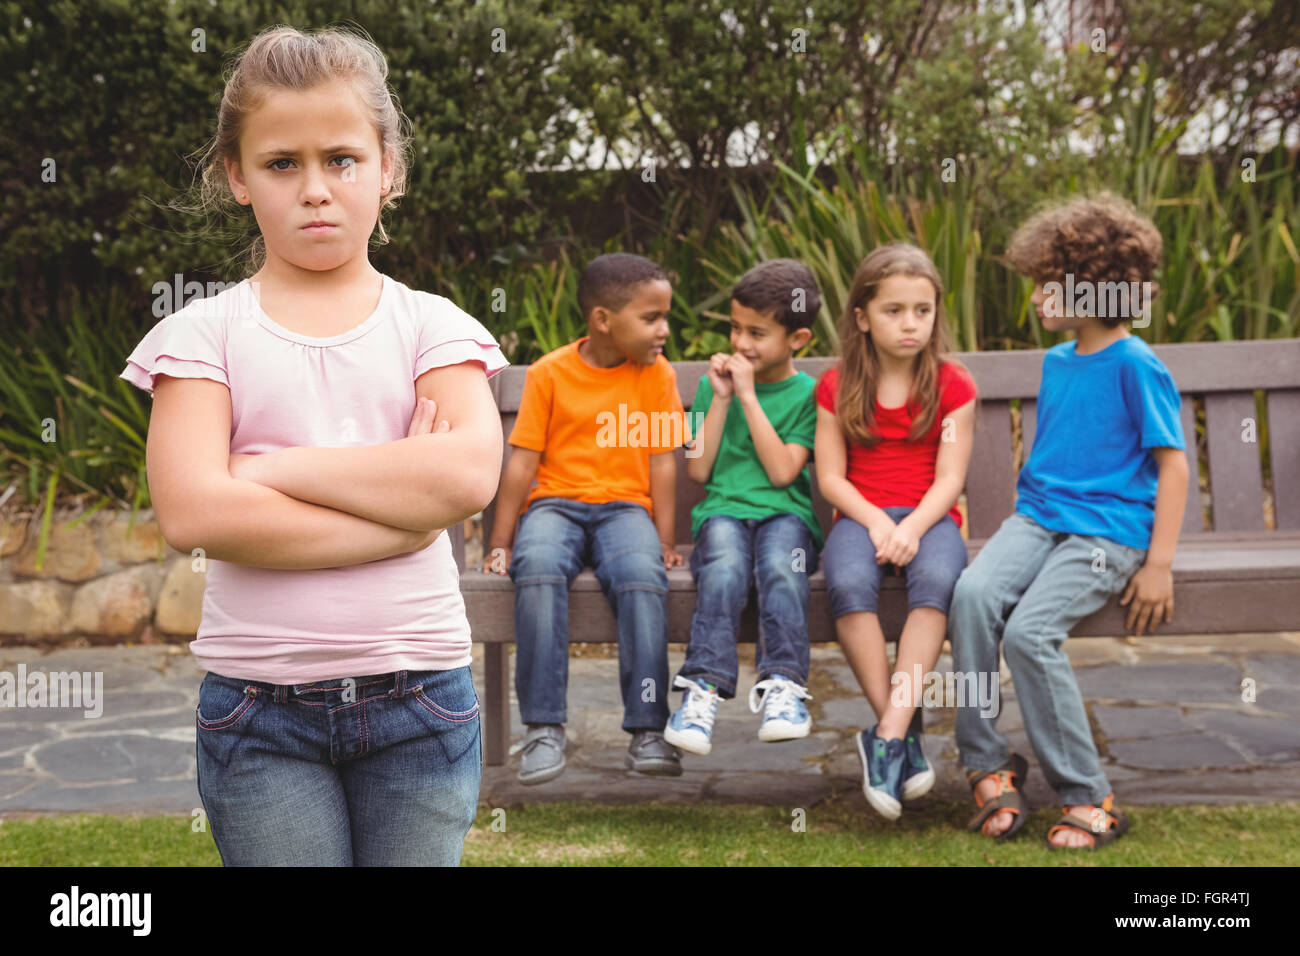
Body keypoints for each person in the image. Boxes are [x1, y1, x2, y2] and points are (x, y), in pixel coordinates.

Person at [119, 25, 506, 865]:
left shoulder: (433, 328)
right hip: (259, 714)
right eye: (281, 163)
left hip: (423, 704)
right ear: (237, 177)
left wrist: (273, 470)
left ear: (388, 169)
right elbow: (194, 510)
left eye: (342, 158)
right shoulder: (201, 337)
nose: (316, 188)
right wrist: (402, 518)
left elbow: (466, 474)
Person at [952, 192, 1188, 850]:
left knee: (1029, 633)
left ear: (1096, 289)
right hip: (1040, 520)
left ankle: (1088, 795)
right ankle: (985, 760)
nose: (1036, 300)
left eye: (1048, 288)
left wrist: (1159, 564)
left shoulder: (1138, 364)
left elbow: (1173, 467)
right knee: (971, 594)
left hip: (1104, 535)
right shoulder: (1058, 362)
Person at [480, 253, 687, 784]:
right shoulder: (551, 373)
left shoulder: (656, 375)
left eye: (665, 316)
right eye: (651, 317)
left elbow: (663, 461)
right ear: (602, 319)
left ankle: (647, 731)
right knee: (539, 568)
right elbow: (522, 461)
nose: (664, 329)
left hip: (626, 510)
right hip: (556, 506)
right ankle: (545, 729)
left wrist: (665, 540)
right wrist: (500, 543)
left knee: (643, 577)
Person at [814, 242, 977, 820]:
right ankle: (900, 730)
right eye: (894, 310)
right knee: (849, 582)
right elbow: (832, 478)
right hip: (862, 515)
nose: (911, 323)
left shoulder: (953, 385)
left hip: (932, 516)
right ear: (861, 316)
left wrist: (913, 527)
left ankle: (884, 734)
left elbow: (950, 478)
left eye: (922, 310)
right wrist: (880, 521)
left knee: (935, 582)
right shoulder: (836, 386)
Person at [665, 259, 825, 756]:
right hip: (724, 513)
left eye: (757, 333)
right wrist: (720, 400)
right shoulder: (714, 388)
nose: (740, 344)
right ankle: (702, 691)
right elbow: (698, 469)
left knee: (780, 565)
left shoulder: (808, 395)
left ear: (797, 339)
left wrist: (749, 399)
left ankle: (784, 688)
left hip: (786, 517)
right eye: (735, 328)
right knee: (727, 566)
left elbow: (782, 472)